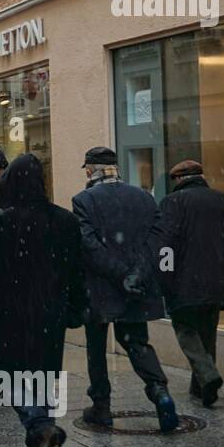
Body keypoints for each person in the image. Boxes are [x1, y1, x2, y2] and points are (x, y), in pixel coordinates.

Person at [0, 154, 86, 447]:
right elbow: (77, 271)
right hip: (51, 313)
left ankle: (39, 427)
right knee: (42, 378)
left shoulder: (9, 220)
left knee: (9, 377)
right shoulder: (66, 221)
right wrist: (77, 307)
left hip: (16, 310)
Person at [71, 147, 178, 432]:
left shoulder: (84, 200)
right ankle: (159, 391)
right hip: (137, 287)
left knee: (96, 347)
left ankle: (102, 406)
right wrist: (137, 274)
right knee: (136, 342)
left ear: (91, 170)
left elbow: (89, 246)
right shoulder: (143, 197)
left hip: (101, 288)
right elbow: (156, 241)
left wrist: (119, 274)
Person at [149, 159, 224, 408]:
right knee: (207, 332)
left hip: (185, 279)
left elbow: (165, 246)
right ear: (201, 176)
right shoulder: (223, 200)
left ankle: (208, 376)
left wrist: (163, 278)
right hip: (218, 279)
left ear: (177, 180)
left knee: (185, 328)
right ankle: (202, 388)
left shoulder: (172, 203)